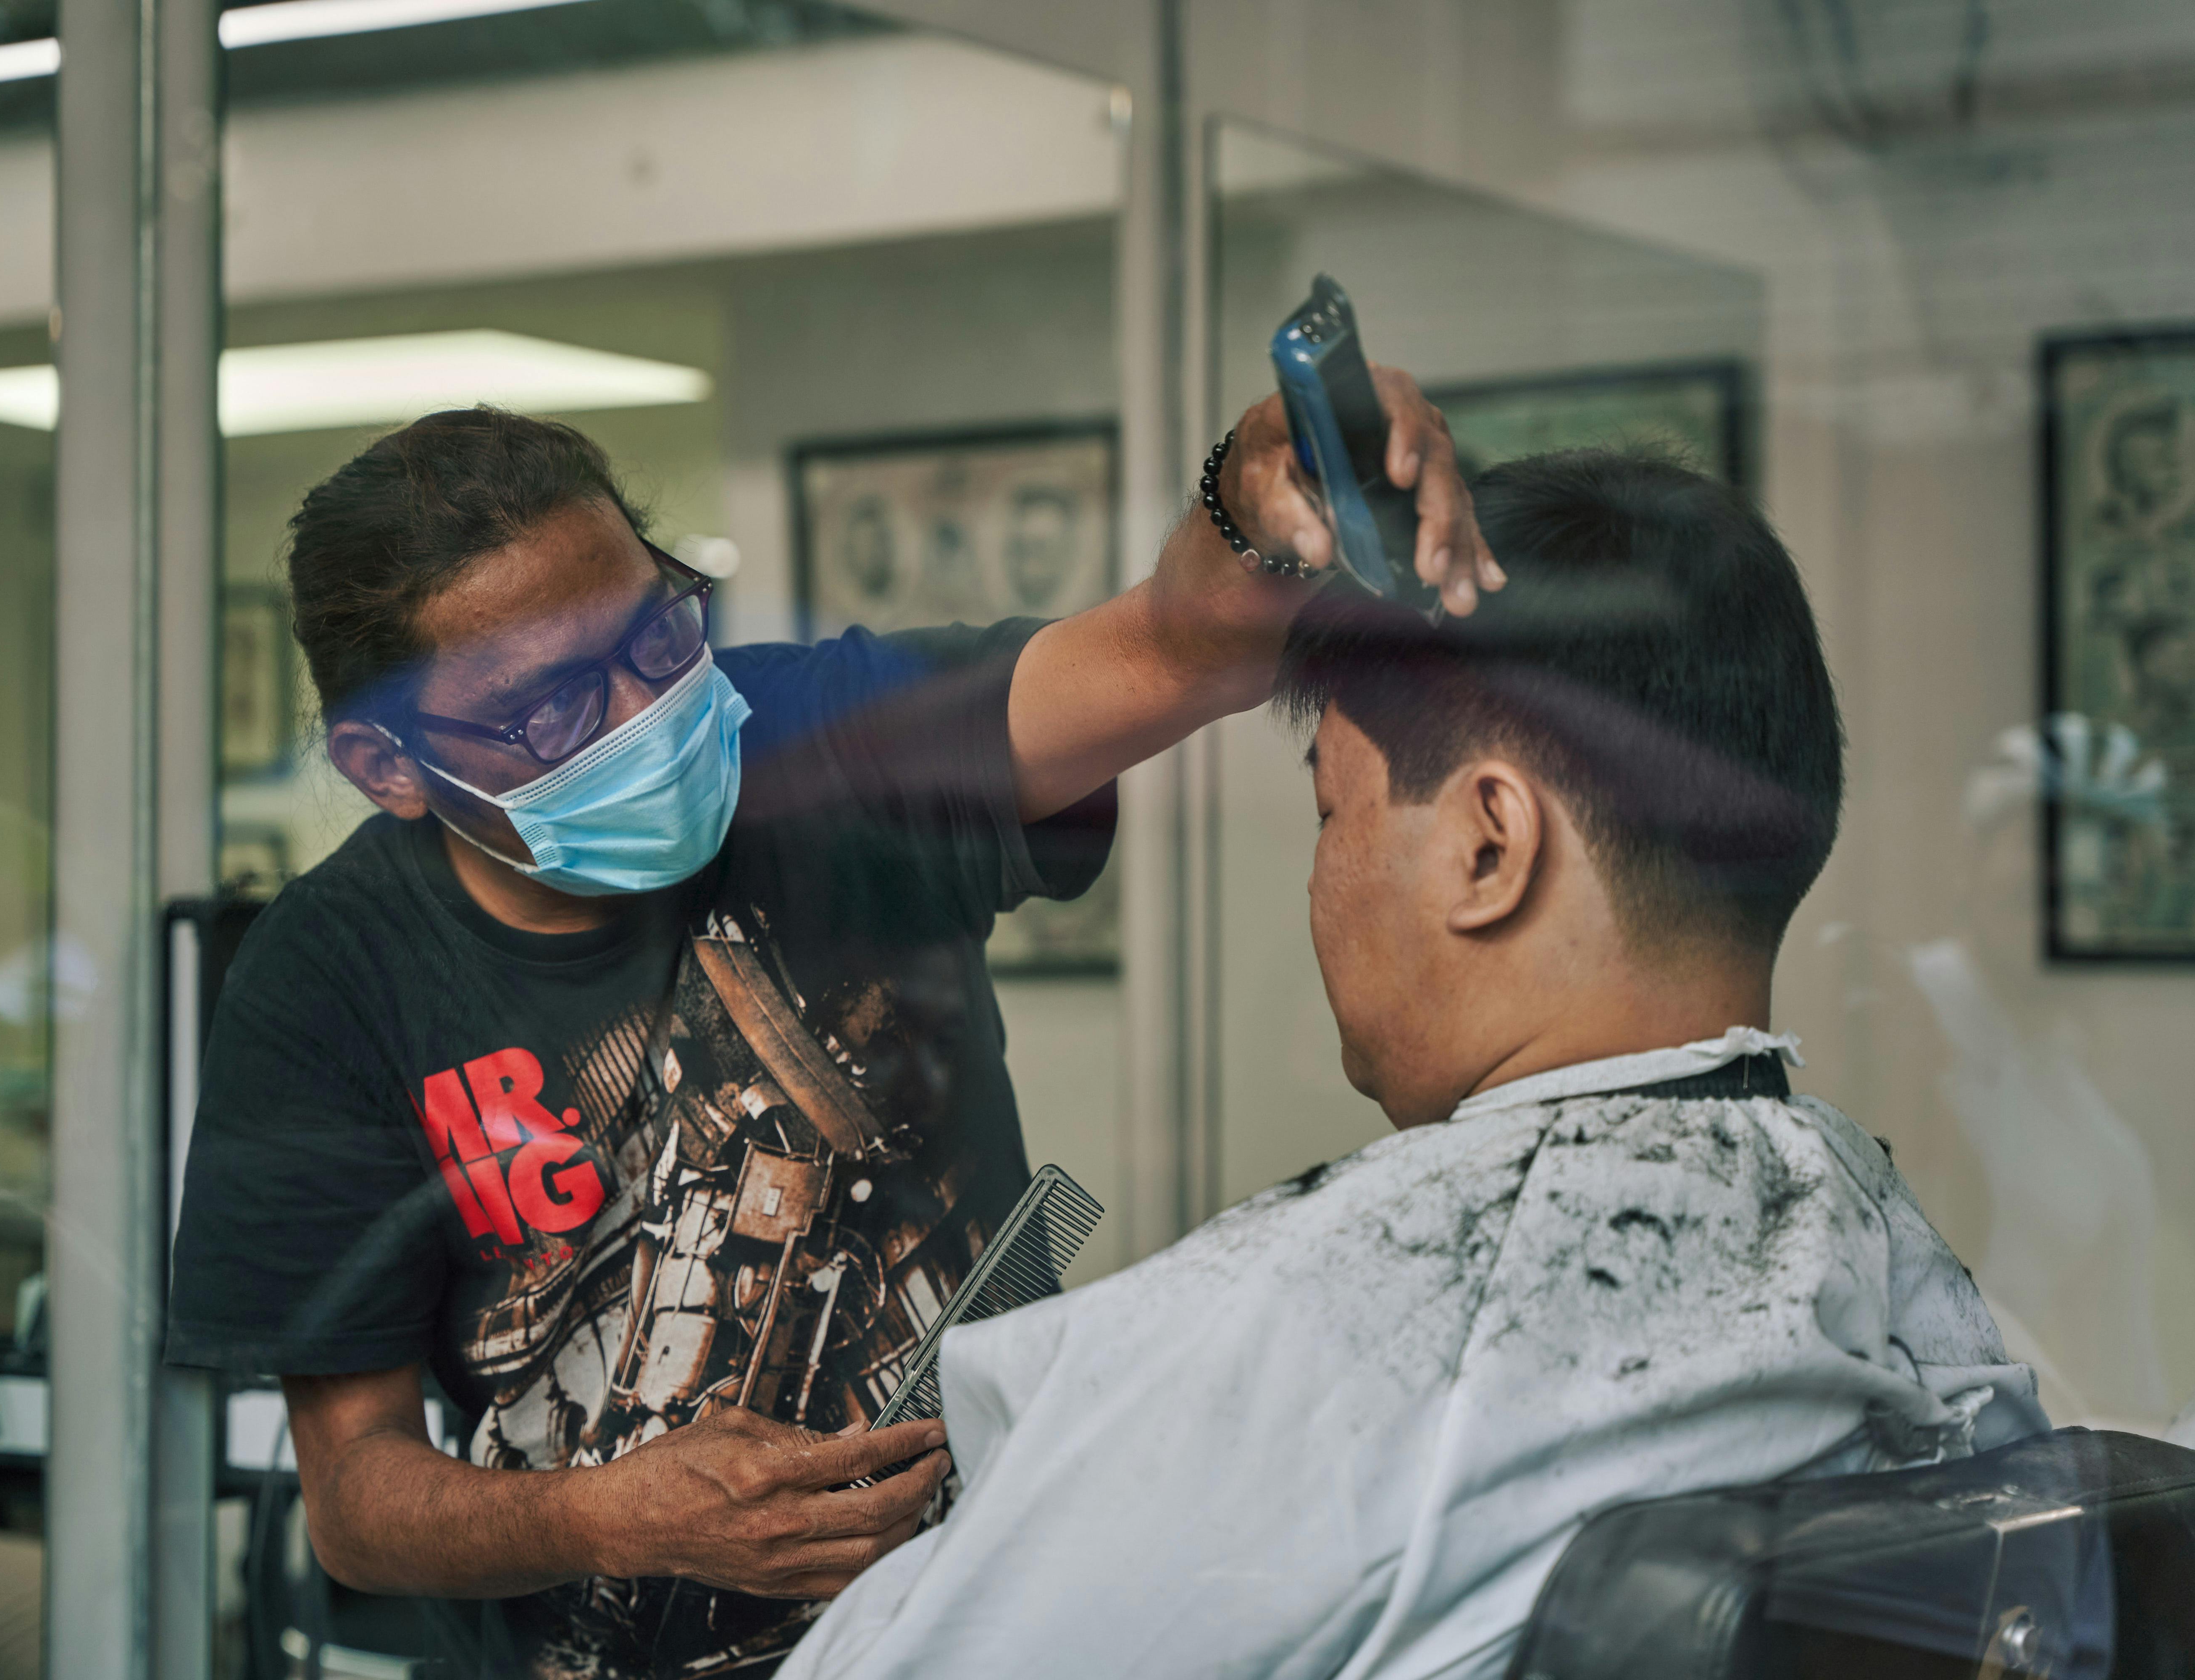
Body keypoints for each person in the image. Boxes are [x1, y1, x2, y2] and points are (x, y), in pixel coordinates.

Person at [163, 386, 1502, 1677]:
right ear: (386, 766)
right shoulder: (327, 984)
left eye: (658, 636)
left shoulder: (816, 739)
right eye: (554, 710)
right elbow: (354, 1490)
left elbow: (1172, 645)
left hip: (982, 1626)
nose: (650, 717)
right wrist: (606, 1515)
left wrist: (1256, 484)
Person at [771, 449, 2050, 1680]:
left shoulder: (1329, 1336)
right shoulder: (1881, 1250)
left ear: (1489, 848)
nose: (1321, 879)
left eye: (1337, 812)